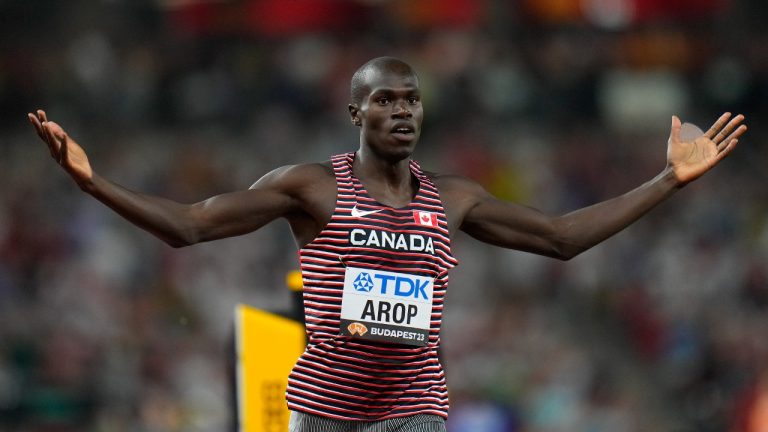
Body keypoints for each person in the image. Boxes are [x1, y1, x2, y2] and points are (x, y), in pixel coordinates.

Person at [28, 57, 747, 432]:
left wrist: (667, 181)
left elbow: (561, 239)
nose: (402, 111)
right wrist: (94, 184)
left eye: (412, 100)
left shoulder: (454, 197)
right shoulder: (310, 188)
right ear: (354, 112)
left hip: (414, 406)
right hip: (322, 407)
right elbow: (189, 225)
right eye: (385, 100)